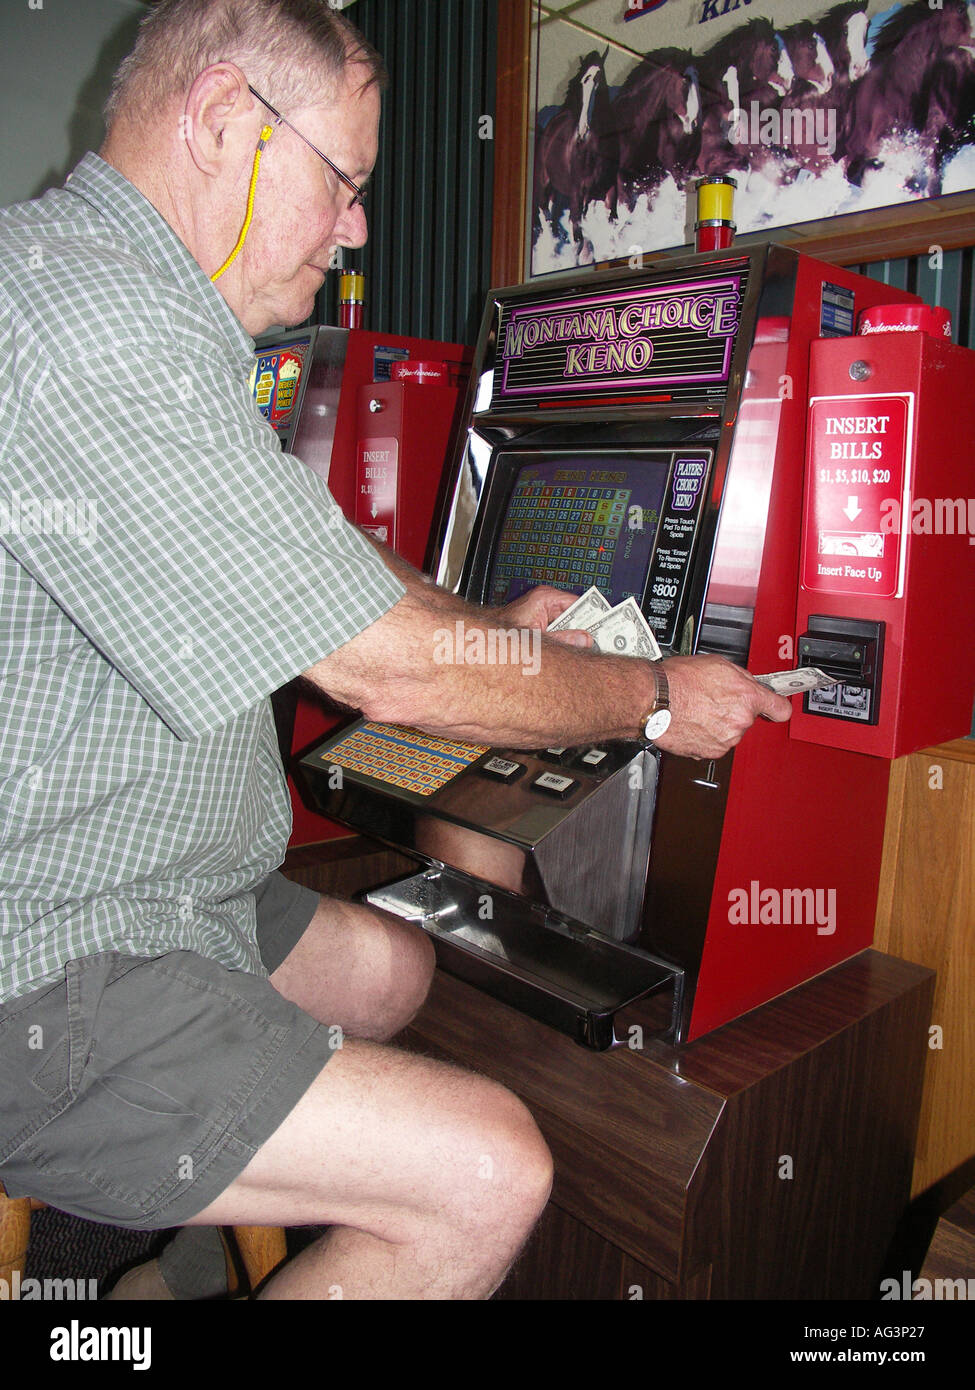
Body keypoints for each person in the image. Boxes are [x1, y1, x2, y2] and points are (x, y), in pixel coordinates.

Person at [0, 0, 790, 1301]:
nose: (359, 227)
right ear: (219, 124)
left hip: (156, 877)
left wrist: (493, 635)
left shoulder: (132, 301)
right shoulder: (92, 323)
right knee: (488, 1176)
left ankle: (164, 1233)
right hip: (50, 945)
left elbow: (309, 554)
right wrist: (648, 692)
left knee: (393, 964)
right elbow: (388, 667)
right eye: (346, 181)